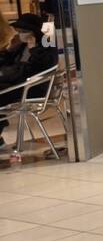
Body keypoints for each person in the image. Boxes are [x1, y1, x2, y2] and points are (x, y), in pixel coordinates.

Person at [0, 13, 59, 143]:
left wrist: (33, 49)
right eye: (19, 31)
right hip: (17, 84)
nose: (21, 34)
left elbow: (45, 64)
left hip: (33, 88)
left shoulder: (45, 44)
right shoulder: (21, 45)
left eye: (24, 31)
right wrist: (8, 51)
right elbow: (6, 63)